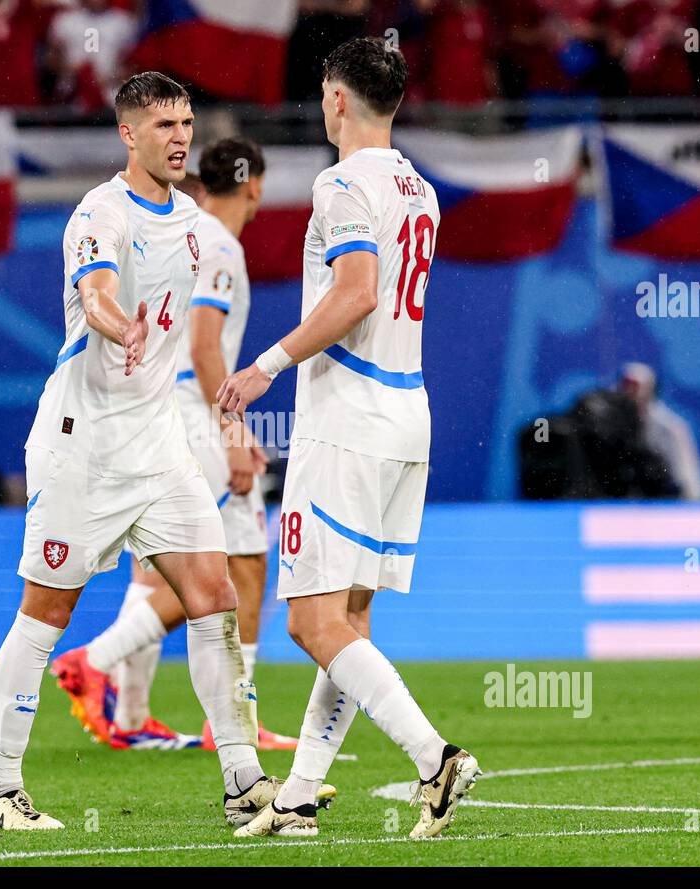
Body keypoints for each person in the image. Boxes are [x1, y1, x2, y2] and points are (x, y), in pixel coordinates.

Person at [0, 73, 279, 832]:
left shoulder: (195, 223)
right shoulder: (97, 213)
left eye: (186, 123)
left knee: (214, 595)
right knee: (46, 613)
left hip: (159, 445)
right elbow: (100, 285)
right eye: (163, 125)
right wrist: (118, 324)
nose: (180, 136)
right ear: (128, 135)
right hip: (85, 447)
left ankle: (245, 780)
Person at [217, 37, 481, 840]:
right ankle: (297, 797)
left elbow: (359, 291)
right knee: (350, 621)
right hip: (409, 416)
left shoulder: (341, 184)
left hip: (348, 422)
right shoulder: (421, 190)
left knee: (308, 621)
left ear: (337, 99)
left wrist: (267, 362)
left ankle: (435, 757)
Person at [51, 137, 300, 753]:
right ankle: (101, 665)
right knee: (225, 567)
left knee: (178, 562)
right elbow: (204, 346)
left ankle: (136, 716)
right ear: (255, 187)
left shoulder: (181, 231)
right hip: (200, 414)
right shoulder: (218, 244)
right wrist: (236, 431)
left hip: (162, 410)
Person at [619, 362, 700, 501]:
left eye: (635, 386)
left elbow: (687, 474)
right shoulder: (611, 425)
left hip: (664, 505)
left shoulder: (670, 427)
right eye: (626, 385)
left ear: (650, 389)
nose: (630, 392)